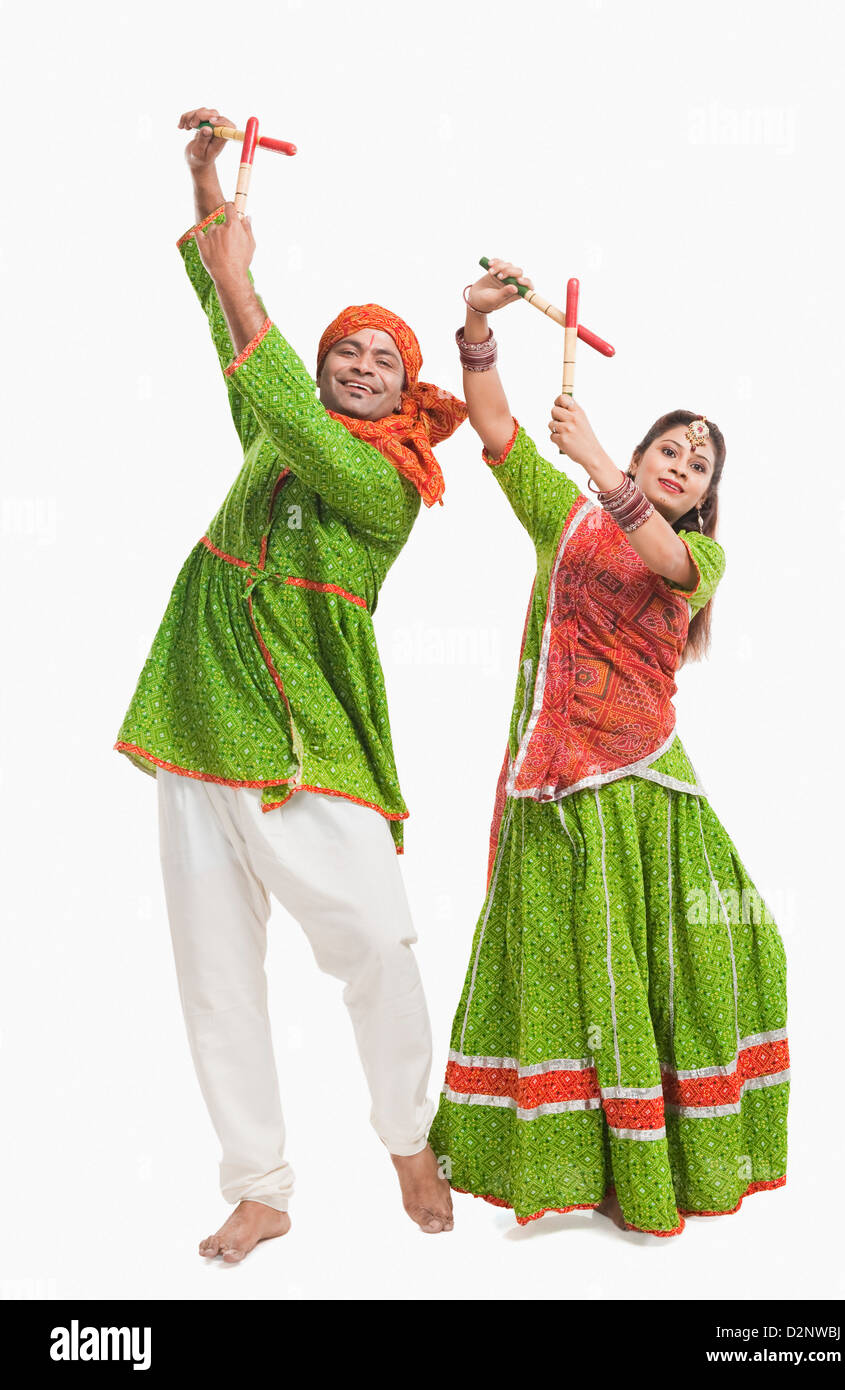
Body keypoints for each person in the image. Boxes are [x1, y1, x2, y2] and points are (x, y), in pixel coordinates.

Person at [114, 108, 464, 1260]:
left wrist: (245, 281)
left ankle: (408, 1130)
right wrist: (209, 177)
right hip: (197, 700)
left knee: (374, 932)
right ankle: (259, 1184)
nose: (360, 370)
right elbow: (233, 334)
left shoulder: (390, 482)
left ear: (407, 395)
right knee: (214, 966)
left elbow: (272, 384)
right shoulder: (279, 427)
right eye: (344, 356)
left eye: (383, 364)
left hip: (309, 723)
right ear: (319, 371)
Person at [427, 260, 789, 1237]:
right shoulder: (571, 518)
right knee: (567, 970)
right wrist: (474, 327)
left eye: (697, 463)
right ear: (643, 451)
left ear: (705, 496)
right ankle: (575, 1162)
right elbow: (497, 429)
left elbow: (665, 560)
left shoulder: (700, 558)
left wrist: (608, 470)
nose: (681, 463)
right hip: (553, 782)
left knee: (710, 954)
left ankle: (668, 1152)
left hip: (646, 793)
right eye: (669, 448)